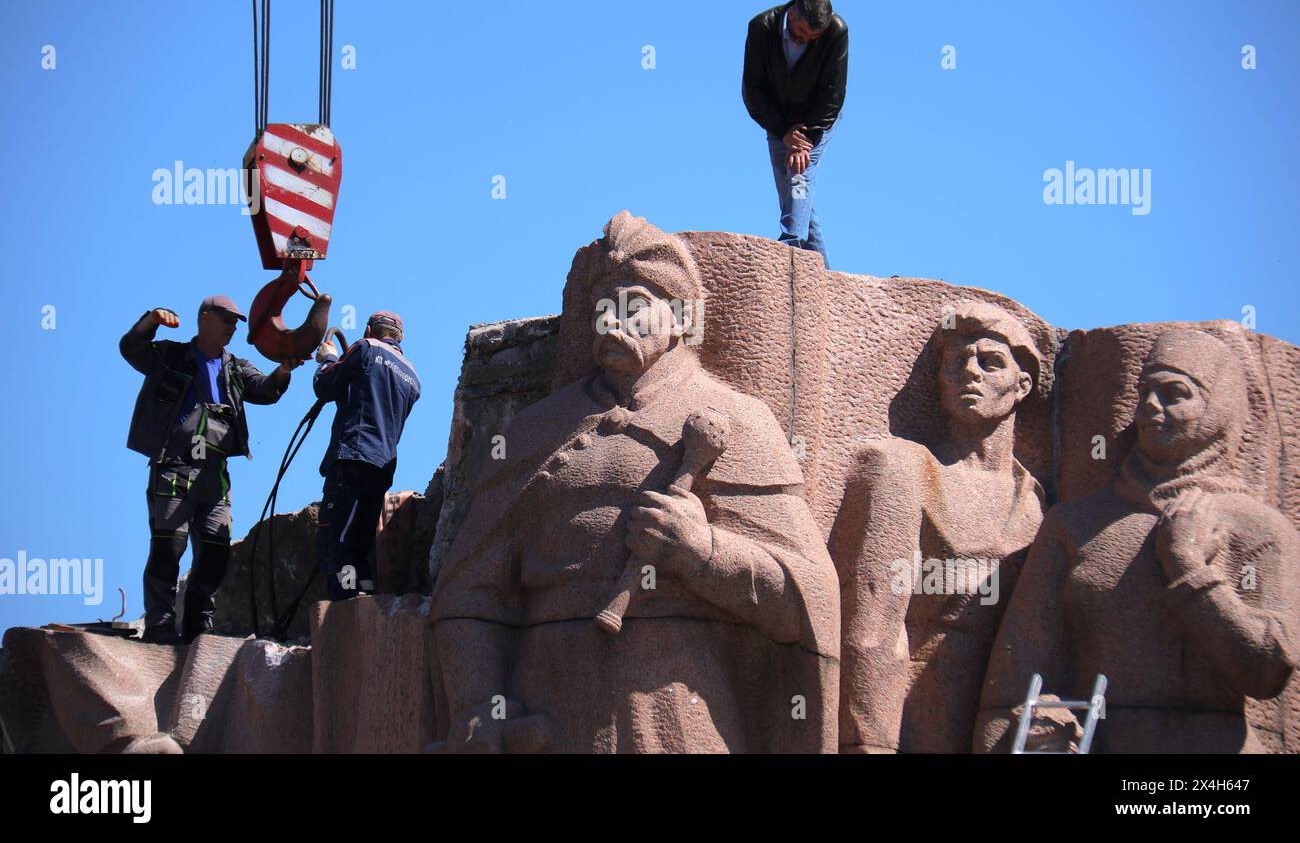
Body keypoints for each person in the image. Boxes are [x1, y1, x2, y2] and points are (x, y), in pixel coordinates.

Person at [429, 211, 840, 753]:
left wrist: (704, 553)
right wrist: (478, 708)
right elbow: (470, 592)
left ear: (680, 318)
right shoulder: (534, 431)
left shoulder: (737, 420)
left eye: (633, 307)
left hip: (677, 714)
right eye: (603, 308)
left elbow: (810, 595)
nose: (611, 322)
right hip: (545, 717)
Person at [975, 329, 1300, 753]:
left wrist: (1189, 570)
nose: (1149, 406)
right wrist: (1038, 725)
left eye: (1174, 393)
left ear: (1219, 405)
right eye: (1144, 391)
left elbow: (1266, 670)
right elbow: (1015, 678)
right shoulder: (1075, 523)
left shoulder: (1257, 527)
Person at [831, 303, 1046, 752]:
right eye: (956, 362)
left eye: (990, 362)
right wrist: (869, 742)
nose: (971, 373)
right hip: (911, 709)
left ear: (1022, 384)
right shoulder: (900, 468)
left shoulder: (1037, 504)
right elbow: (872, 621)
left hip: (1000, 719)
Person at [120, 296, 300, 645]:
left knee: (216, 551)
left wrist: (284, 370)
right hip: (175, 467)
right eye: (227, 320)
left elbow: (265, 391)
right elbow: (131, 347)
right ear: (205, 319)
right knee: (168, 546)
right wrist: (151, 319)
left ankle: (199, 625)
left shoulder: (236, 367)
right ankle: (159, 623)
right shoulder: (171, 356)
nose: (233, 328)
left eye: (236, 322)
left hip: (214, 475)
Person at [312, 311, 421, 600]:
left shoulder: (365, 348)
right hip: (381, 466)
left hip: (352, 457)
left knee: (335, 541)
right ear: (399, 338)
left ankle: (345, 611)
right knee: (358, 546)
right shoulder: (412, 375)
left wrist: (326, 359)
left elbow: (325, 386)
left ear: (370, 329)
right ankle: (366, 601)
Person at [742, 0, 848, 267]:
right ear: (792, 14)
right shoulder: (761, 27)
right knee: (793, 195)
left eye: (812, 38)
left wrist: (807, 139)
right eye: (800, 33)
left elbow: (833, 94)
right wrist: (783, 130)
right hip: (780, 119)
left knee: (799, 170)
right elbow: (752, 90)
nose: (804, 40)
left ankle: (790, 245)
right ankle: (823, 275)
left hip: (817, 120)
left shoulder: (836, 32)